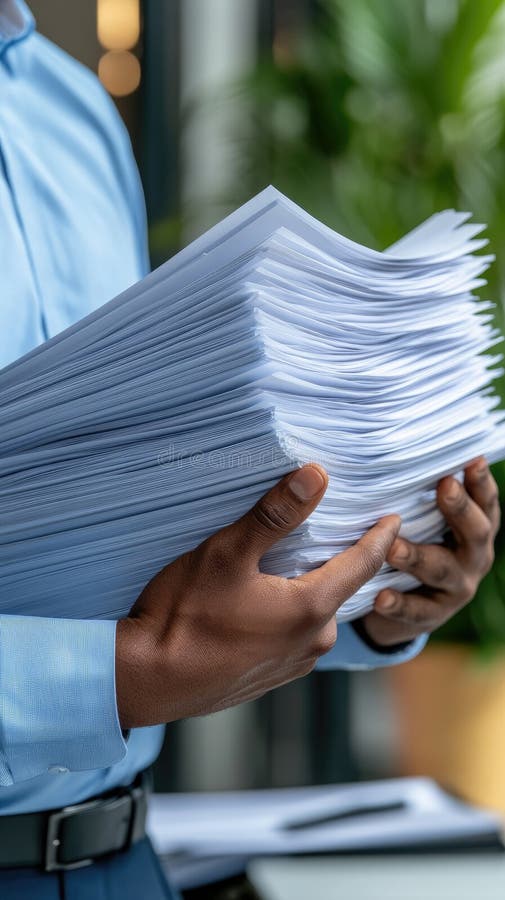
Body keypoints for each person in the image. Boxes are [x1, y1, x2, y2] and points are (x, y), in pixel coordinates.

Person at [0, 2, 500, 897]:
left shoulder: (70, 107)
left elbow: (132, 518)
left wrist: (381, 592)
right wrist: (117, 677)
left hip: (125, 863)